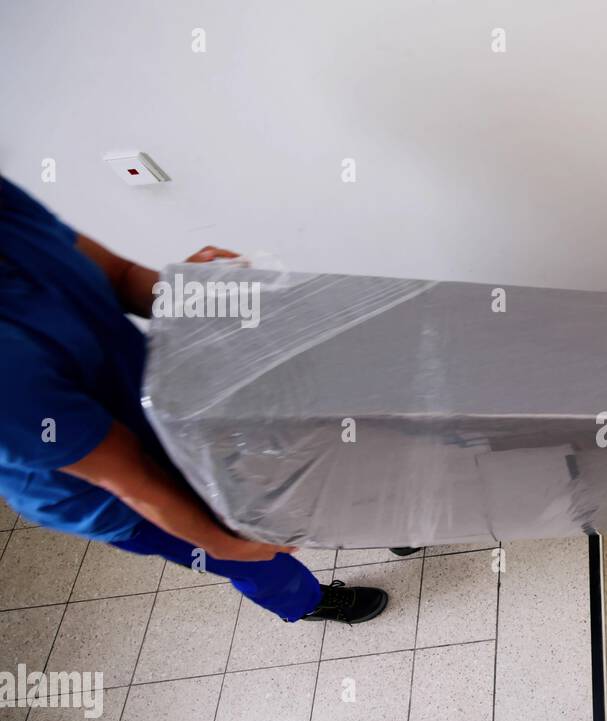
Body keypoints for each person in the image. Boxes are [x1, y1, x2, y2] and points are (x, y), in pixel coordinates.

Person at [0, 175, 388, 623]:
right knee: (249, 554)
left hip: (157, 397)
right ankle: (308, 601)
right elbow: (132, 476)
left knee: (283, 476)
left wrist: (197, 293)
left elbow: (120, 277)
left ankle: (378, 524)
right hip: (104, 487)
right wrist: (227, 544)